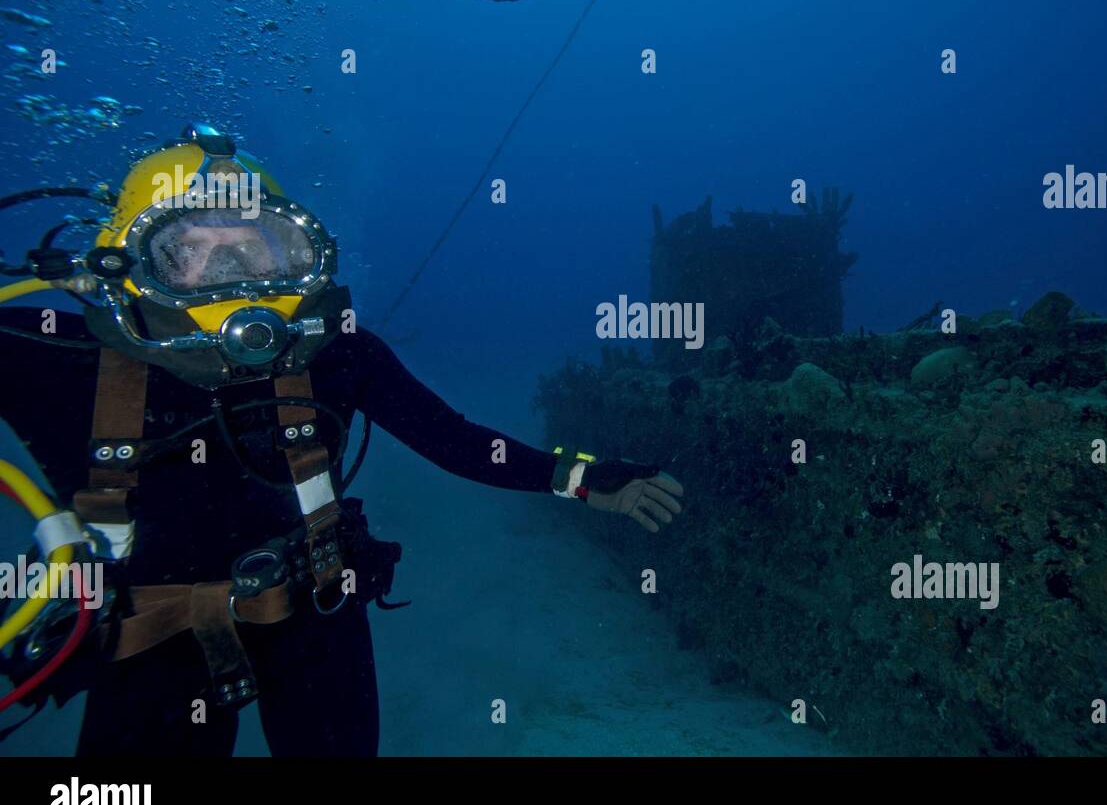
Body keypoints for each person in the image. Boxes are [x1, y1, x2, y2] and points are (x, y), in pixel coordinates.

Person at [0, 124, 684, 755]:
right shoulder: (57, 356)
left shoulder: (335, 351)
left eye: (247, 242)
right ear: (123, 264)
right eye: (185, 250)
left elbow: (455, 439)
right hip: (145, 640)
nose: (226, 271)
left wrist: (583, 477)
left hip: (312, 610)